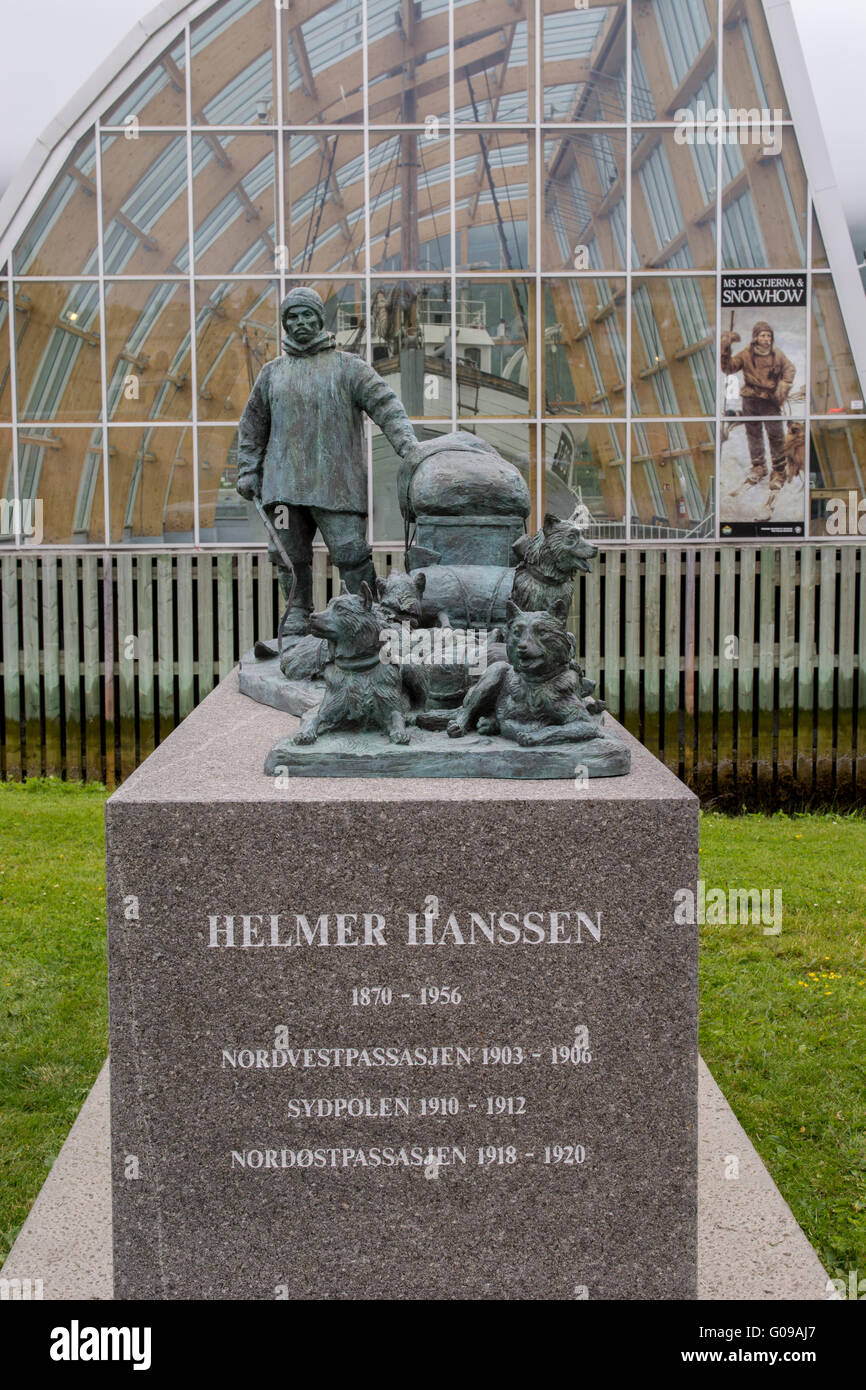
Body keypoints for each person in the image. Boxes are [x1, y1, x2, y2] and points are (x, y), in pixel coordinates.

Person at [237, 287, 420, 635]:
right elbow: (251, 426)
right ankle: (297, 611)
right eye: (292, 316)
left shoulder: (349, 368)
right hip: (283, 488)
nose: (301, 322)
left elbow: (386, 405)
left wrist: (407, 445)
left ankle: (360, 612)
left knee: (351, 552)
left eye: (307, 315)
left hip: (337, 486)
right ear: (285, 323)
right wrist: (248, 469)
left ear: (320, 319)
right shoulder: (272, 373)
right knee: (287, 556)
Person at [721, 320, 796, 493]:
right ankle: (758, 467)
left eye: (769, 335)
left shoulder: (777, 354)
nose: (766, 338)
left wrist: (782, 387)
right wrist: (726, 349)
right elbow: (729, 368)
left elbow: (790, 369)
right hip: (750, 399)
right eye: (763, 335)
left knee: (775, 435)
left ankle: (778, 471)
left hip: (769, 400)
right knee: (753, 434)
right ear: (756, 337)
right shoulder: (746, 354)